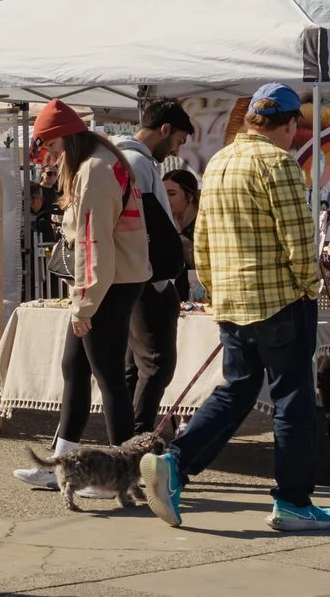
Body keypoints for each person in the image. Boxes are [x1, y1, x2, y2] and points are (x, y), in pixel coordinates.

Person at [142, 84, 330, 535]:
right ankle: (292, 502)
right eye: (295, 128)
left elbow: (203, 239)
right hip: (281, 300)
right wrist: (310, 287)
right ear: (289, 124)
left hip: (232, 300)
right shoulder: (278, 164)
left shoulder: (219, 162)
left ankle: (176, 461)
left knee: (237, 390)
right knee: (293, 400)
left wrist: (216, 289)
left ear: (252, 119)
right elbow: (299, 241)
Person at [16, 101, 151, 492]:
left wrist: (85, 304)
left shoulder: (94, 170)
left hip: (107, 286)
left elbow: (94, 246)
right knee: (75, 369)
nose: (50, 153)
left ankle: (123, 475)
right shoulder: (104, 159)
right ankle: (63, 464)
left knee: (108, 377)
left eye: (51, 144)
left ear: (66, 138)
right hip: (116, 282)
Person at [117, 101, 196, 430]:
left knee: (137, 366)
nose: (177, 148)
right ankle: (135, 441)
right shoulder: (136, 161)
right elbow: (143, 226)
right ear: (164, 130)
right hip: (148, 279)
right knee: (156, 364)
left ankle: (127, 441)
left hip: (141, 276)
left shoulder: (128, 159)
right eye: (178, 139)